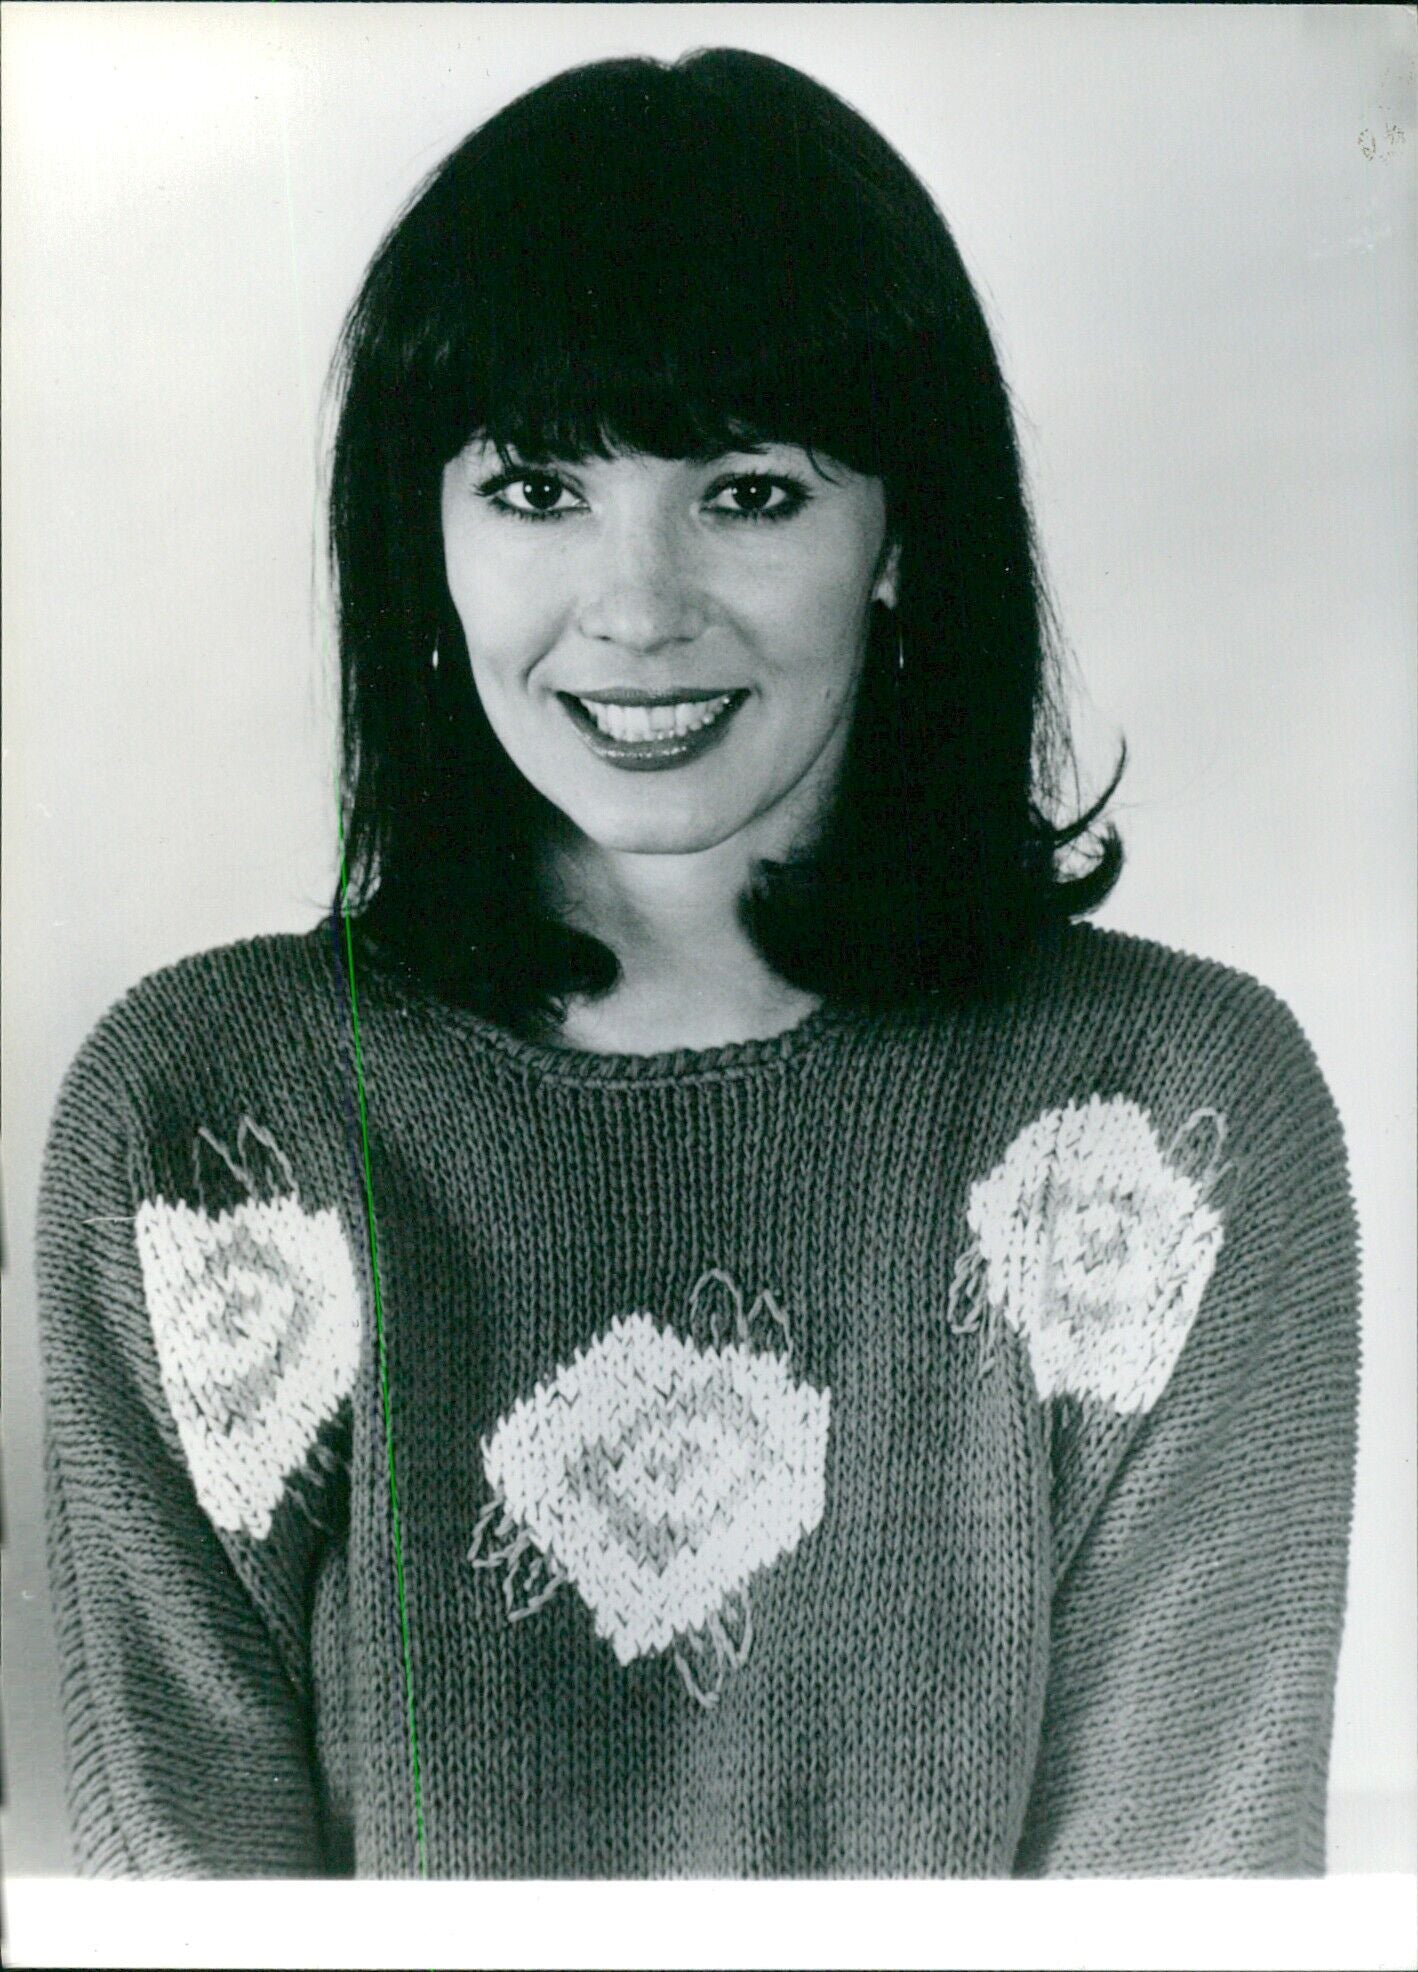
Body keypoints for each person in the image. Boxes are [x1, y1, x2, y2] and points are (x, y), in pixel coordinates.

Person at [36, 48, 1359, 1879]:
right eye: (533, 490)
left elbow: (1187, 1881)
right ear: (418, 541)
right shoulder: (203, 1117)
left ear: (900, 539)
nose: (637, 608)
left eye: (747, 492)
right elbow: (177, 1884)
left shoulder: (1177, 1113)